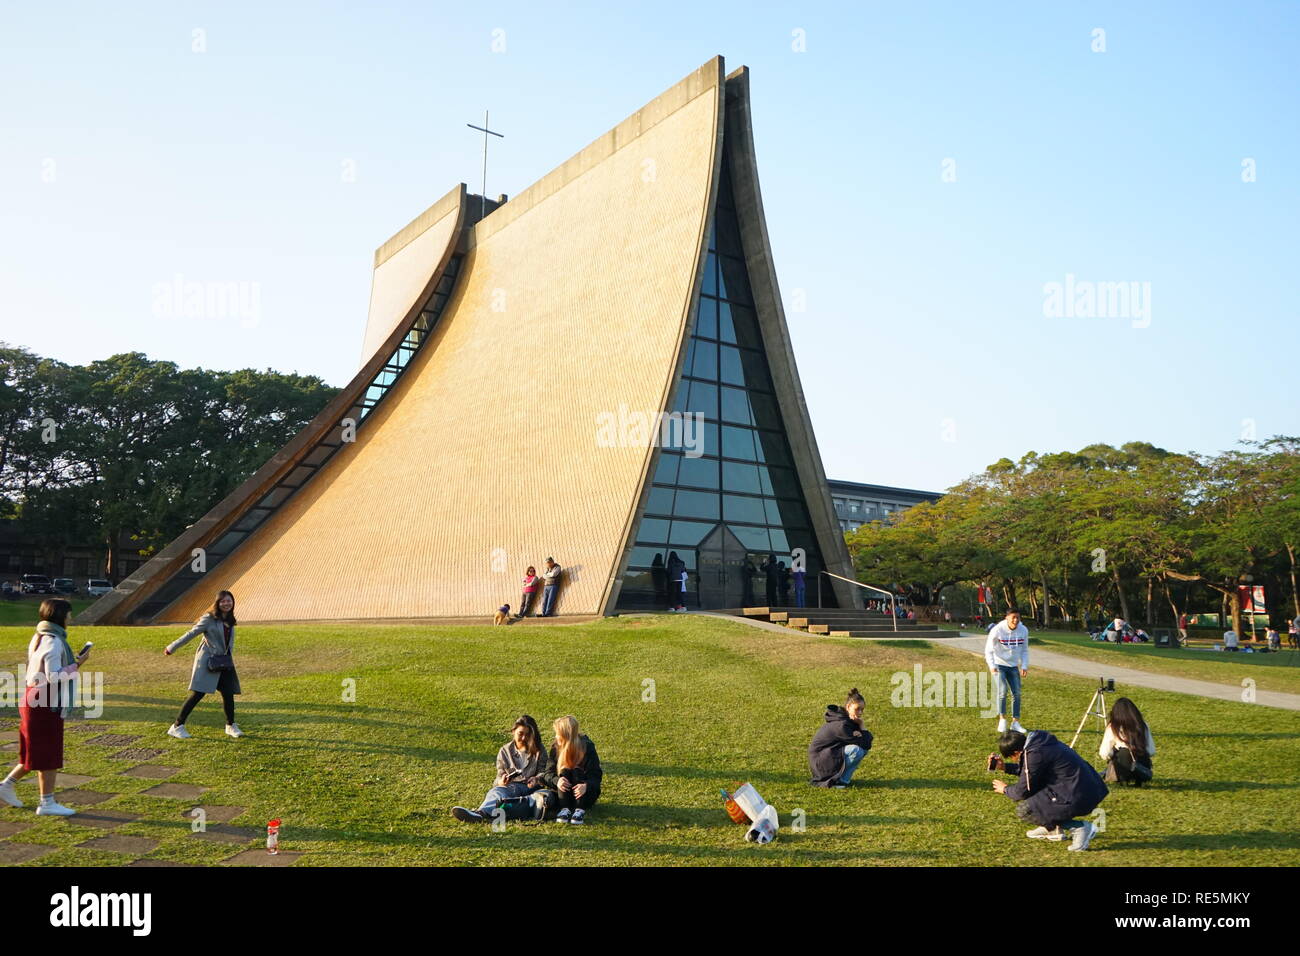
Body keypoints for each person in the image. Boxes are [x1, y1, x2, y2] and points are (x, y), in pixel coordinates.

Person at [0, 599, 89, 816]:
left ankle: (5, 787)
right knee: (48, 753)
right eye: (68, 614)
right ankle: (47, 803)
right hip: (45, 701)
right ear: (60, 616)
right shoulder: (54, 641)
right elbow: (53, 676)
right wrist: (77, 664)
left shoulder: (39, 636)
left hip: (33, 698)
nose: (71, 618)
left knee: (35, 751)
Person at [991, 728, 1108, 851]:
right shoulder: (1040, 743)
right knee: (1036, 795)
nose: (1013, 760)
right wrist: (1004, 767)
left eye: (1011, 757)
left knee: (1025, 810)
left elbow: (1023, 790)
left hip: (1078, 796)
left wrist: (1005, 789)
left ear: (1016, 752)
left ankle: (1080, 828)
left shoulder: (1035, 754)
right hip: (1086, 788)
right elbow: (1032, 772)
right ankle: (1053, 830)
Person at [164, 590, 244, 739]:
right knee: (198, 693)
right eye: (223, 601)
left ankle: (230, 725)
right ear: (218, 603)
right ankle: (177, 726)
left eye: (229, 601)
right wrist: (171, 647)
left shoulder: (230, 619)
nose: (226, 603)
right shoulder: (209, 618)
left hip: (224, 661)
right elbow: (191, 633)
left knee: (228, 694)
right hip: (209, 661)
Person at [451, 715, 547, 822]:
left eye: (528, 735)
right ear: (513, 732)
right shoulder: (505, 751)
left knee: (542, 796)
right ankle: (481, 813)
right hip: (511, 788)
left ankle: (487, 812)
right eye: (520, 734)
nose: (524, 738)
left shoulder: (539, 750)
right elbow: (498, 778)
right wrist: (501, 781)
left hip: (531, 788)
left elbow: (544, 772)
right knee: (496, 792)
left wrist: (537, 779)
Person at [540, 715, 602, 824]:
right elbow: (547, 774)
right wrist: (557, 781)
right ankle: (565, 810)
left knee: (577, 771)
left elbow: (596, 775)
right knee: (564, 771)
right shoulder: (556, 748)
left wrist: (586, 786)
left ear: (565, 735)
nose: (556, 736)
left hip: (585, 796)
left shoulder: (587, 747)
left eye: (558, 734)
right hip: (563, 795)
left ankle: (579, 810)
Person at [808, 688, 873, 788]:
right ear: (848, 707)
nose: (860, 713)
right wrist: (862, 726)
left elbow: (866, 744)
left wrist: (860, 730)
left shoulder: (848, 720)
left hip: (828, 754)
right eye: (857, 709)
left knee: (862, 750)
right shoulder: (842, 725)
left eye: (862, 710)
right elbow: (866, 744)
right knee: (856, 750)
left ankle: (842, 780)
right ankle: (837, 781)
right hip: (820, 762)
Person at [984, 608, 1029, 734]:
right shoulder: (997, 630)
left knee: (1017, 693)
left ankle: (1015, 722)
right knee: (1002, 691)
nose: (1015, 620)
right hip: (999, 664)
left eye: (1018, 618)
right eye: (1013, 617)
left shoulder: (1023, 630)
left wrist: (1024, 665)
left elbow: (1025, 649)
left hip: (1013, 665)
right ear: (1007, 617)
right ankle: (1002, 719)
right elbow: (988, 650)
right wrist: (992, 666)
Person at [1099, 697, 1155, 786]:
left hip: (1122, 770)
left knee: (1121, 753)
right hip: (1141, 769)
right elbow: (1151, 751)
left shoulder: (1113, 727)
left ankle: (1122, 778)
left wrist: (1114, 752)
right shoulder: (1143, 725)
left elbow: (1104, 753)